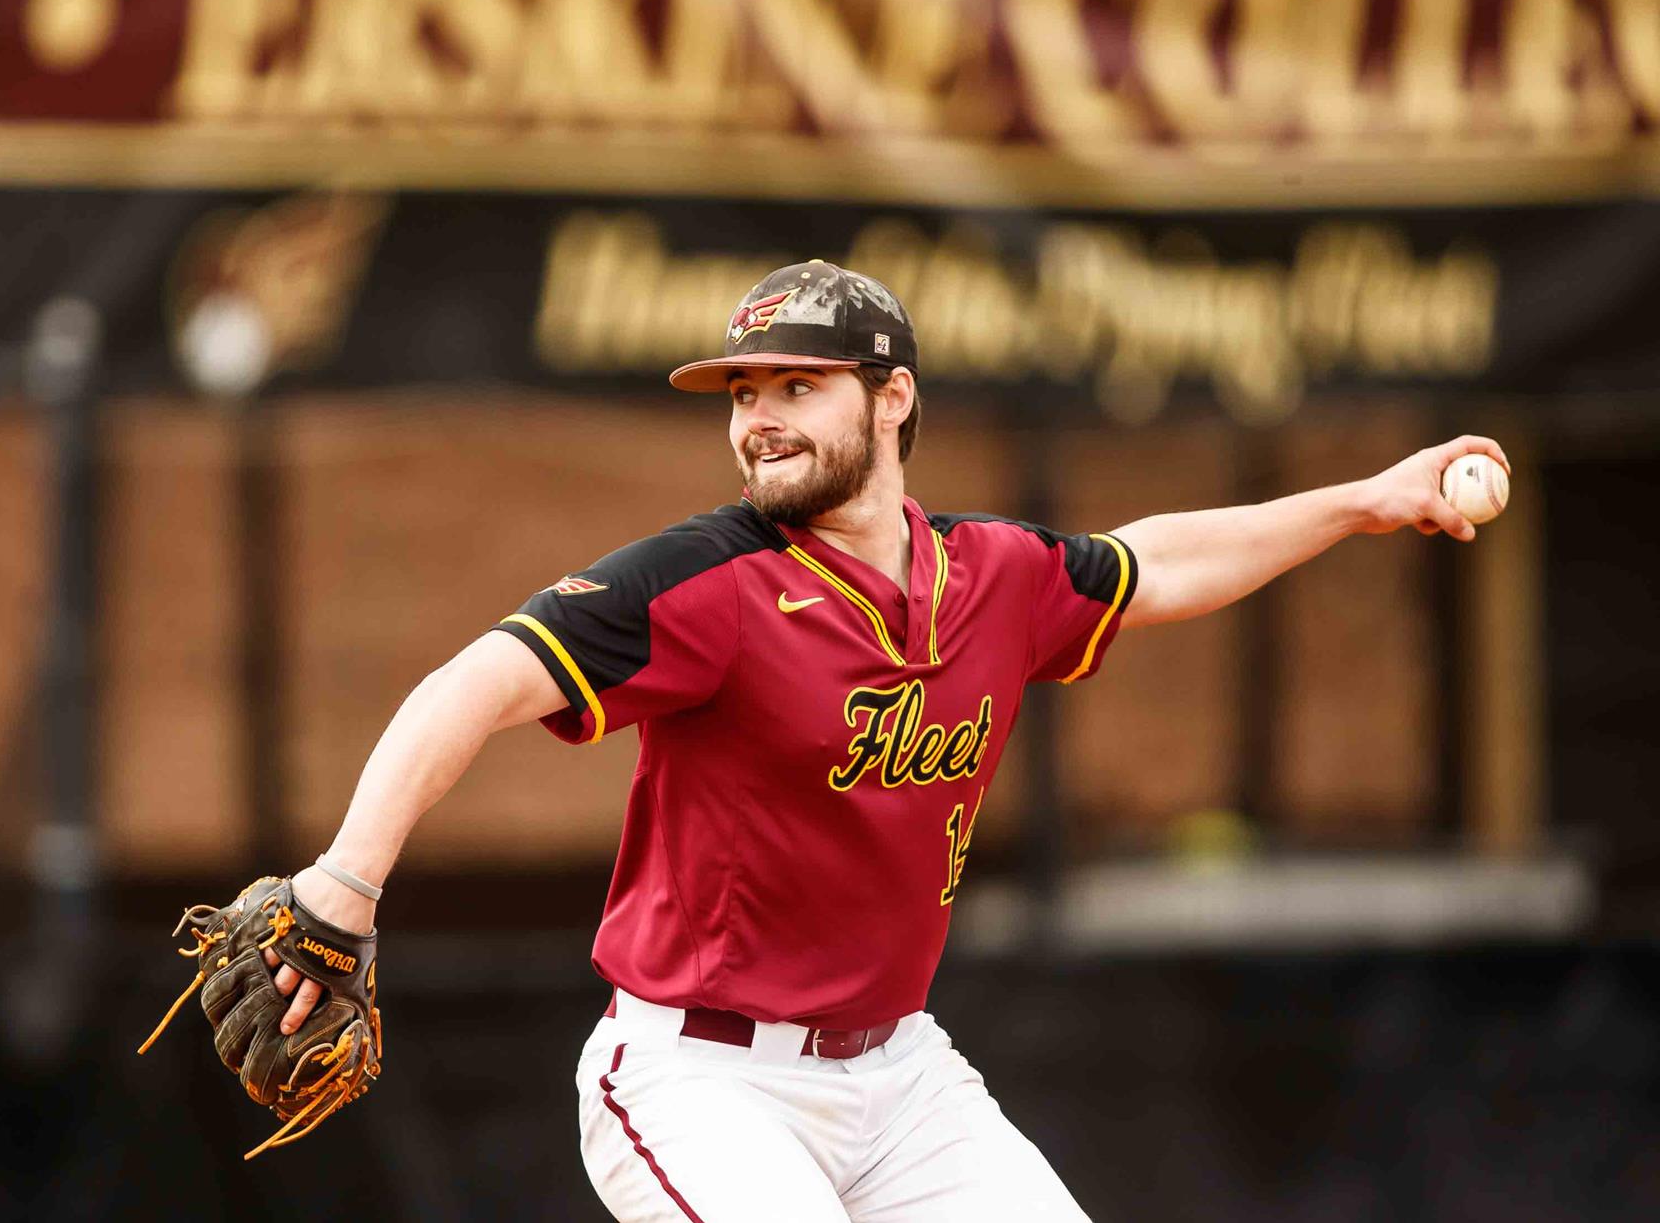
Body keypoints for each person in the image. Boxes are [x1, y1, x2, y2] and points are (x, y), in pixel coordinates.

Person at [269, 260, 1507, 1220]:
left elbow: (1157, 562)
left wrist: (1360, 501)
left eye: (795, 385)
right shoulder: (706, 581)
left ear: (892, 396)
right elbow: (470, 684)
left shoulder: (993, 575)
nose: (756, 418)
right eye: (743, 394)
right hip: (701, 1078)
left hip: (898, 1071)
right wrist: (344, 884)